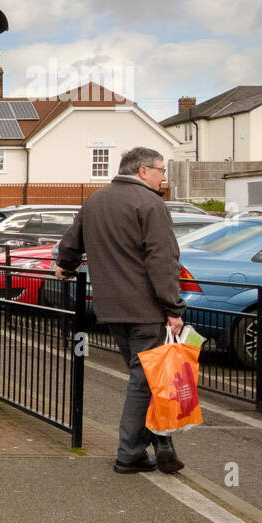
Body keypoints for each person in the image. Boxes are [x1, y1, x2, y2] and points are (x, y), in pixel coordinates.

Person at [54, 147, 185, 474]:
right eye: (160, 170)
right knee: (144, 381)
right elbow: (161, 260)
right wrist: (173, 308)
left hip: (110, 309)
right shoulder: (151, 204)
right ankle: (131, 452)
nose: (163, 177)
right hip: (146, 310)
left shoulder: (95, 200)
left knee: (143, 377)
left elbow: (71, 243)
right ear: (143, 171)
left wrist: (65, 266)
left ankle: (159, 440)